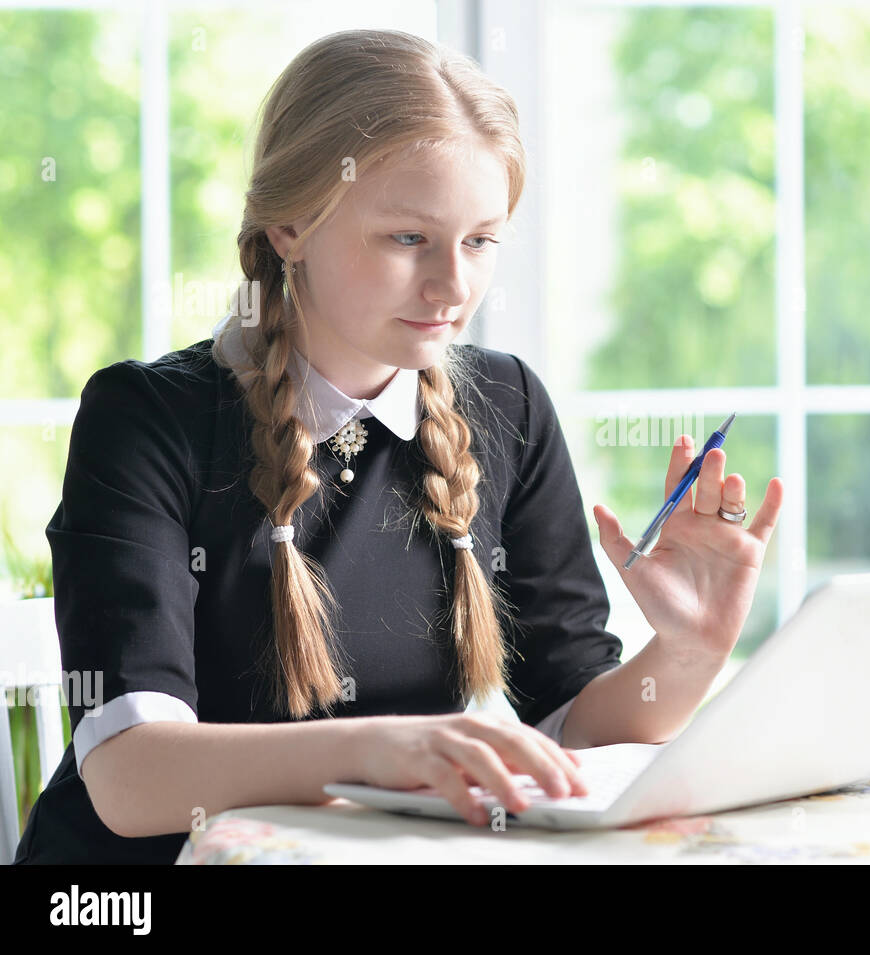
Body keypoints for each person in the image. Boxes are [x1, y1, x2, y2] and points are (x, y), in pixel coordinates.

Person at [14, 28, 782, 864]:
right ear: (289, 226)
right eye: (408, 238)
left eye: (481, 240)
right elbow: (129, 781)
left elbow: (573, 722)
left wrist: (687, 651)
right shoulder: (146, 418)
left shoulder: (507, 404)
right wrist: (381, 750)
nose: (455, 286)